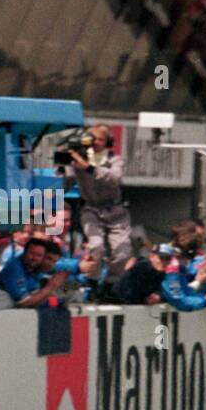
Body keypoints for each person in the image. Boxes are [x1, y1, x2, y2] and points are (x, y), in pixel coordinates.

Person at [61, 124, 132, 289]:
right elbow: (66, 182)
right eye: (93, 138)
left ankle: (110, 284)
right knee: (96, 246)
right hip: (91, 209)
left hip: (116, 211)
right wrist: (65, 165)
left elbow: (115, 179)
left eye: (100, 139)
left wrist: (89, 168)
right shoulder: (79, 159)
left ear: (108, 142)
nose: (96, 142)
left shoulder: (115, 159)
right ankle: (92, 280)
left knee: (122, 252)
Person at [0, 236, 67, 309]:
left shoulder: (35, 270)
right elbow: (24, 303)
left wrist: (58, 301)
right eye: (49, 259)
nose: (51, 264)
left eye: (39, 255)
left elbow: (38, 298)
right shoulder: (15, 269)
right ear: (24, 252)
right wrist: (51, 286)